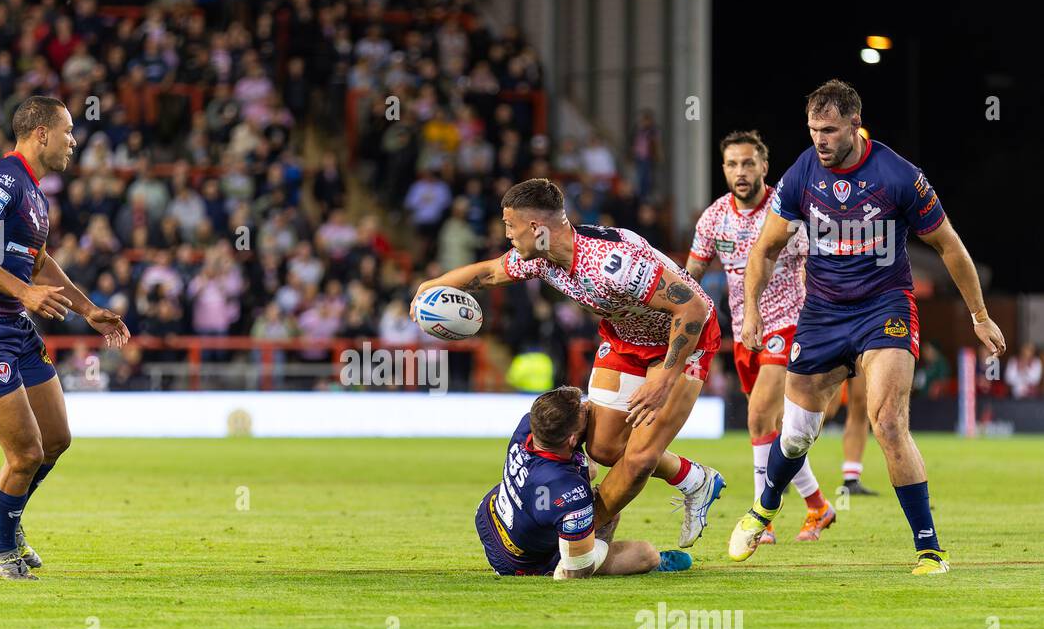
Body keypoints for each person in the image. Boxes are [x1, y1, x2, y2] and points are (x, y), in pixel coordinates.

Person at [728, 80, 1006, 574]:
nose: (820, 140)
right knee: (795, 435)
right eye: (813, 130)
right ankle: (763, 509)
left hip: (885, 308)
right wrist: (751, 309)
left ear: (856, 124)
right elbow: (765, 249)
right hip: (822, 315)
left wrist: (979, 315)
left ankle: (929, 549)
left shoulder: (898, 176)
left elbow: (949, 247)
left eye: (830, 130)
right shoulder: (802, 174)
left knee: (889, 423)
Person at [414, 178, 726, 550]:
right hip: (625, 336)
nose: (506, 234)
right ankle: (695, 479)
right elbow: (489, 272)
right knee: (604, 450)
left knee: (640, 458)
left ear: (535, 228)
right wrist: (428, 288)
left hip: (683, 339)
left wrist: (664, 380)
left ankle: (582, 541)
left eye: (510, 226)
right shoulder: (542, 258)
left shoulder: (611, 264)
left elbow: (689, 307)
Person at [0, 95, 130, 580]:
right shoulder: (2, 181)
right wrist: (24, 292)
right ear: (41, 133)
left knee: (55, 441)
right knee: (24, 453)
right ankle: (2, 549)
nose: (73, 140)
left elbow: (40, 261)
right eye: (68, 131)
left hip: (14, 329)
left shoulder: (35, 194)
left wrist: (88, 309)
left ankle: (5, 513)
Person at [687, 130, 835, 542]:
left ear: (764, 167)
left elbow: (813, 266)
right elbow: (692, 274)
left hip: (790, 325)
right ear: (723, 169)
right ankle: (818, 506)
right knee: (774, 429)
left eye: (749, 163)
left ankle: (761, 518)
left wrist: (822, 320)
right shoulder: (714, 217)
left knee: (757, 417)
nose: (741, 171)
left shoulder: (786, 210)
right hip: (744, 331)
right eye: (733, 164)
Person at [475, 387, 693, 578]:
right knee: (645, 554)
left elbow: (586, 468)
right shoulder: (568, 491)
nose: (588, 408)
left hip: (491, 518)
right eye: (583, 412)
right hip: (523, 562)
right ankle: (560, 560)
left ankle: (569, 529)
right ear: (571, 439)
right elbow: (576, 568)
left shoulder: (530, 424)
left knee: (590, 483)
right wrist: (577, 561)